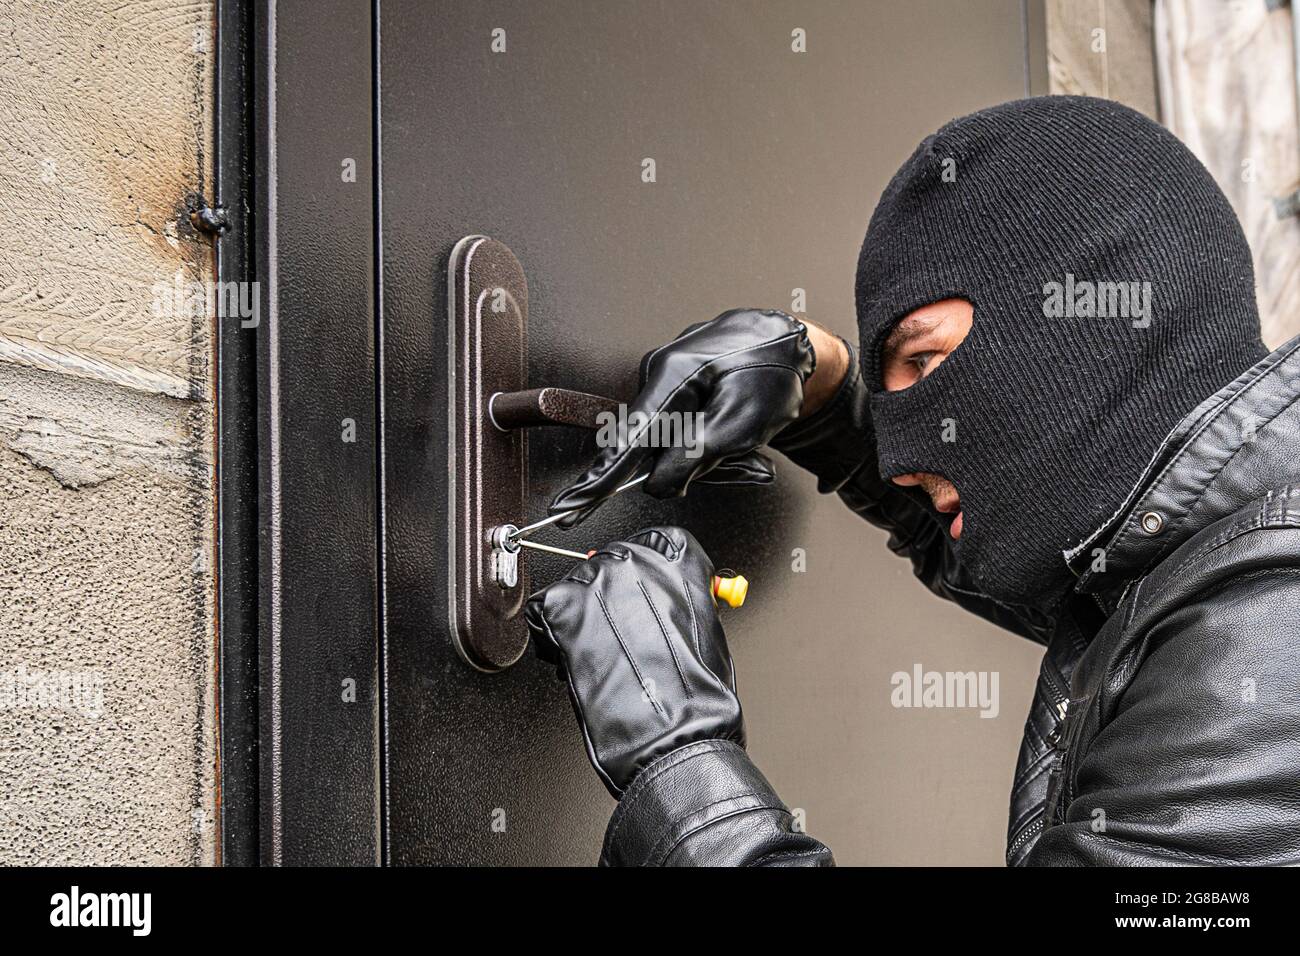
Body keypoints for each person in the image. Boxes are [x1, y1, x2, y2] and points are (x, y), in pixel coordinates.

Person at [525, 96, 1300, 866]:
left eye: (925, 361)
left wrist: (680, 775)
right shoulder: (1196, 559)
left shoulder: (1263, 644)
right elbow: (995, 529)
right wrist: (820, 389)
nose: (901, 458)